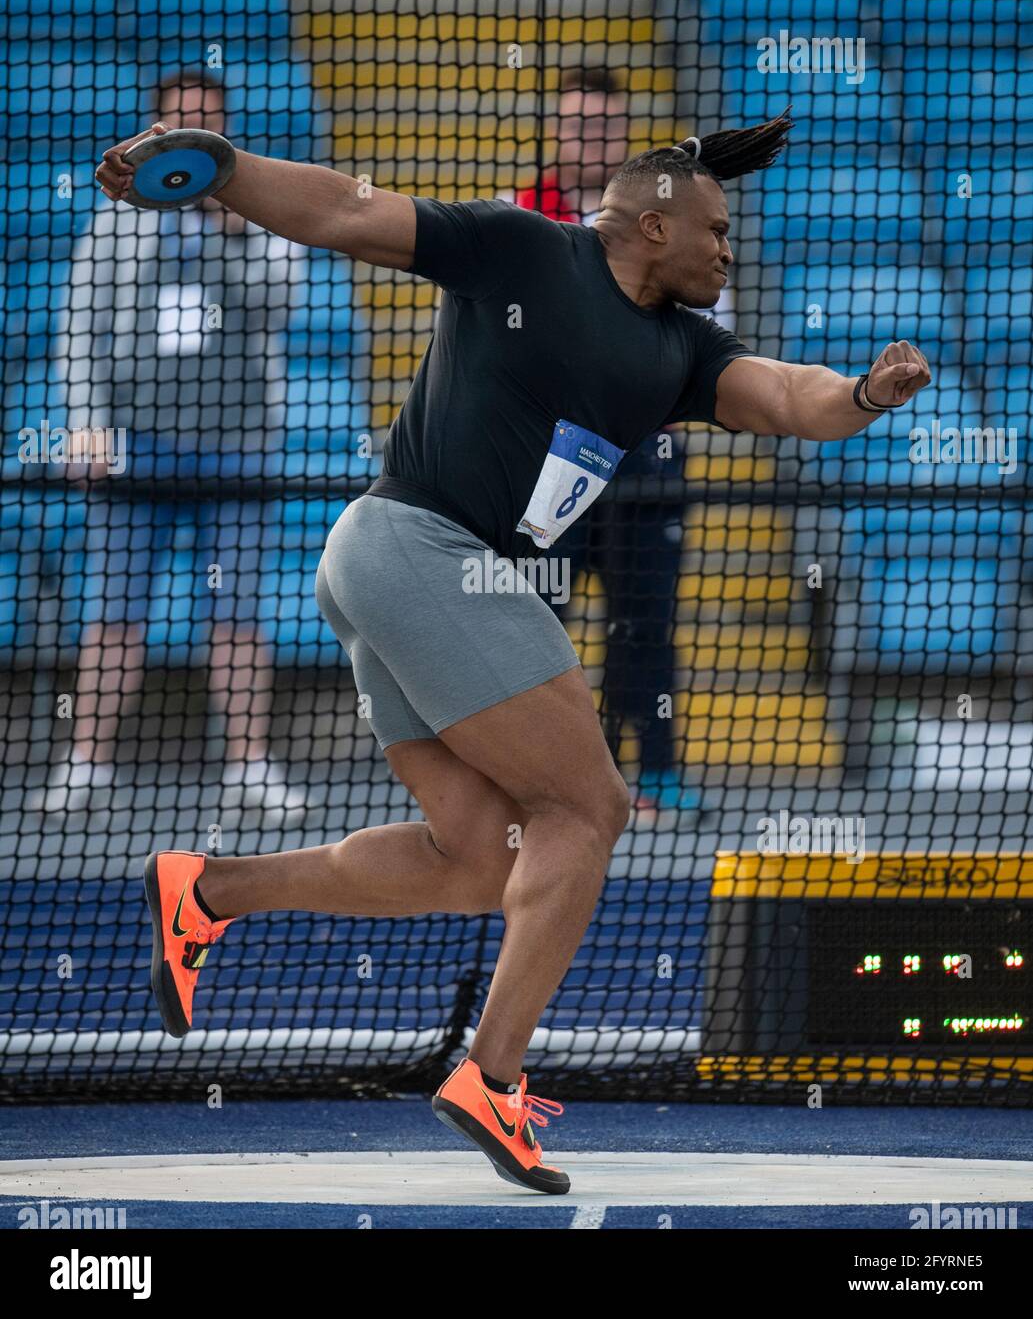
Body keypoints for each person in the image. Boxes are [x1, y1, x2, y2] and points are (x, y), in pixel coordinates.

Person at [96, 109, 931, 1194]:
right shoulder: (523, 246)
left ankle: (209, 891)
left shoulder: (682, 349)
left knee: (477, 857)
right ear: (651, 220)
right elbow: (349, 211)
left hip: (388, 567)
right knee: (591, 809)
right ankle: (489, 1073)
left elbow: (783, 399)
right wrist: (221, 168)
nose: (730, 250)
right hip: (418, 547)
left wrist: (864, 394)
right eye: (716, 231)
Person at [42, 69, 307, 824]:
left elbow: (280, 305)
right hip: (138, 443)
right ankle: (85, 764)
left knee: (237, 616)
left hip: (239, 443)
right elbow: (78, 329)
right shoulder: (116, 218)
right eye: (177, 122)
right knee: (115, 613)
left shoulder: (259, 211)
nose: (191, 131)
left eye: (206, 121)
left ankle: (249, 767)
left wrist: (230, 226)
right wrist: (85, 421)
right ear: (152, 134)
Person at [512, 65, 738, 817]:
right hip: (549, 452)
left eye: (606, 127)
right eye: (578, 124)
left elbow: (710, 322)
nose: (592, 138)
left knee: (647, 615)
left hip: (650, 449)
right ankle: (543, 776)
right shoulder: (524, 216)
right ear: (553, 131)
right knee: (540, 616)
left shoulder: (669, 221)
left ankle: (652, 769)